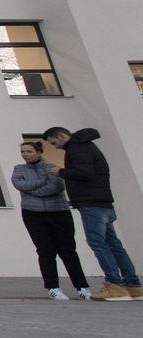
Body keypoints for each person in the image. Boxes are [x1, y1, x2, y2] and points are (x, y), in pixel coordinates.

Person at [44, 127, 142, 301]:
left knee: (98, 243)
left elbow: (84, 174)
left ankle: (114, 285)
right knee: (114, 244)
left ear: (61, 136)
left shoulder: (77, 149)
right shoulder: (87, 146)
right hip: (102, 202)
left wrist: (61, 172)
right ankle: (133, 285)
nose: (55, 147)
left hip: (91, 204)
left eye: (54, 142)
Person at [11, 140, 90, 300]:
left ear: (38, 152)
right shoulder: (19, 169)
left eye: (29, 151)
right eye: (23, 152)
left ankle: (81, 286)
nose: (25, 154)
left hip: (58, 212)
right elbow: (19, 185)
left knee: (68, 250)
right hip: (33, 213)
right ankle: (53, 287)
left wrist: (33, 190)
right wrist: (41, 182)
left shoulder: (52, 168)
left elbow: (56, 187)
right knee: (45, 250)